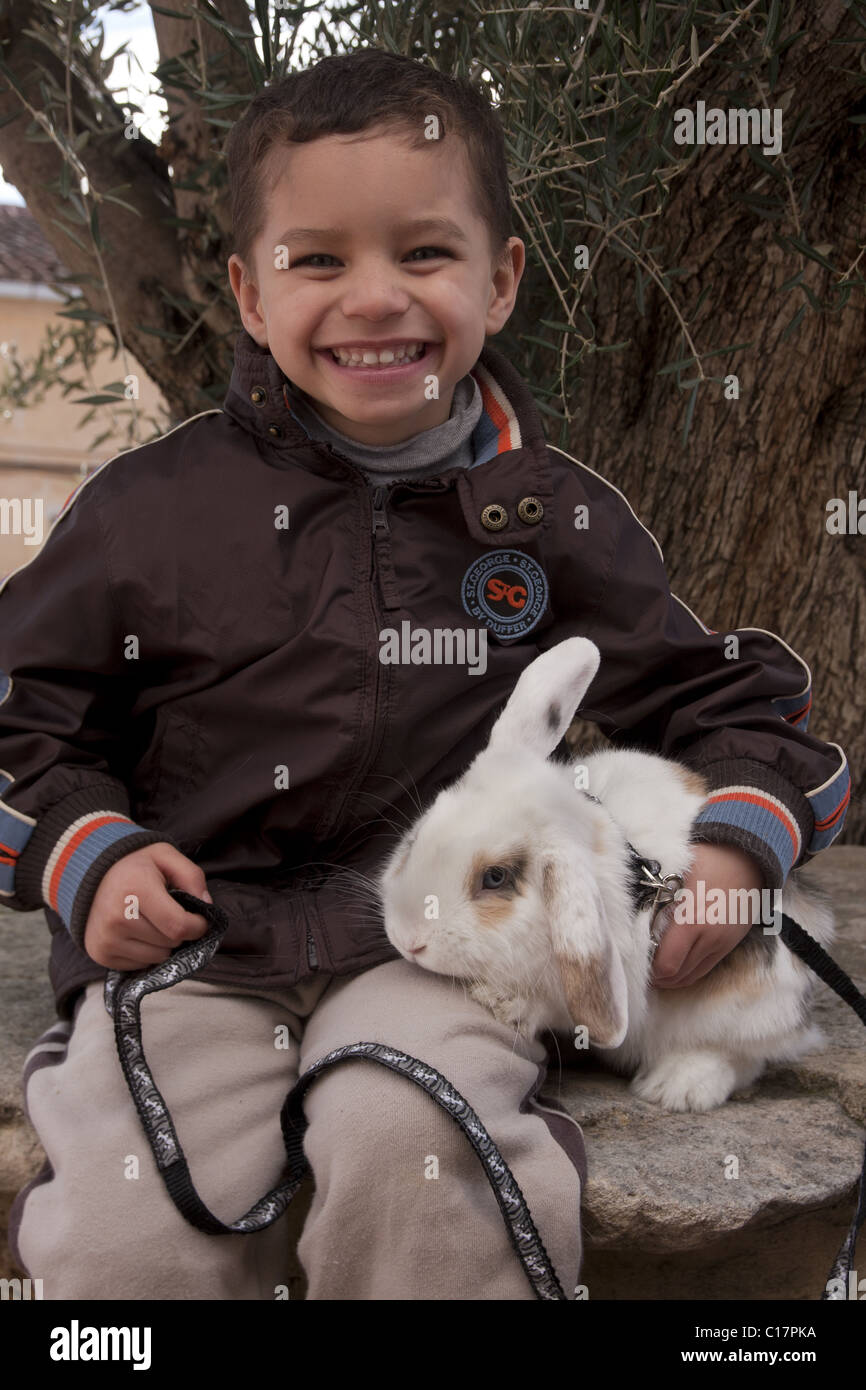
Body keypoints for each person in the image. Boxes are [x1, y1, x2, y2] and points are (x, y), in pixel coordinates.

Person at [2, 48, 850, 1300]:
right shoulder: (148, 512)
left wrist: (733, 847)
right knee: (129, 1242)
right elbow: (17, 720)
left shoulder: (549, 520)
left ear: (499, 281)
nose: (373, 298)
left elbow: (726, 702)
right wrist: (87, 852)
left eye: (424, 252)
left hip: (441, 957)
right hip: (196, 955)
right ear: (247, 291)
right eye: (318, 260)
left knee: (413, 1150)